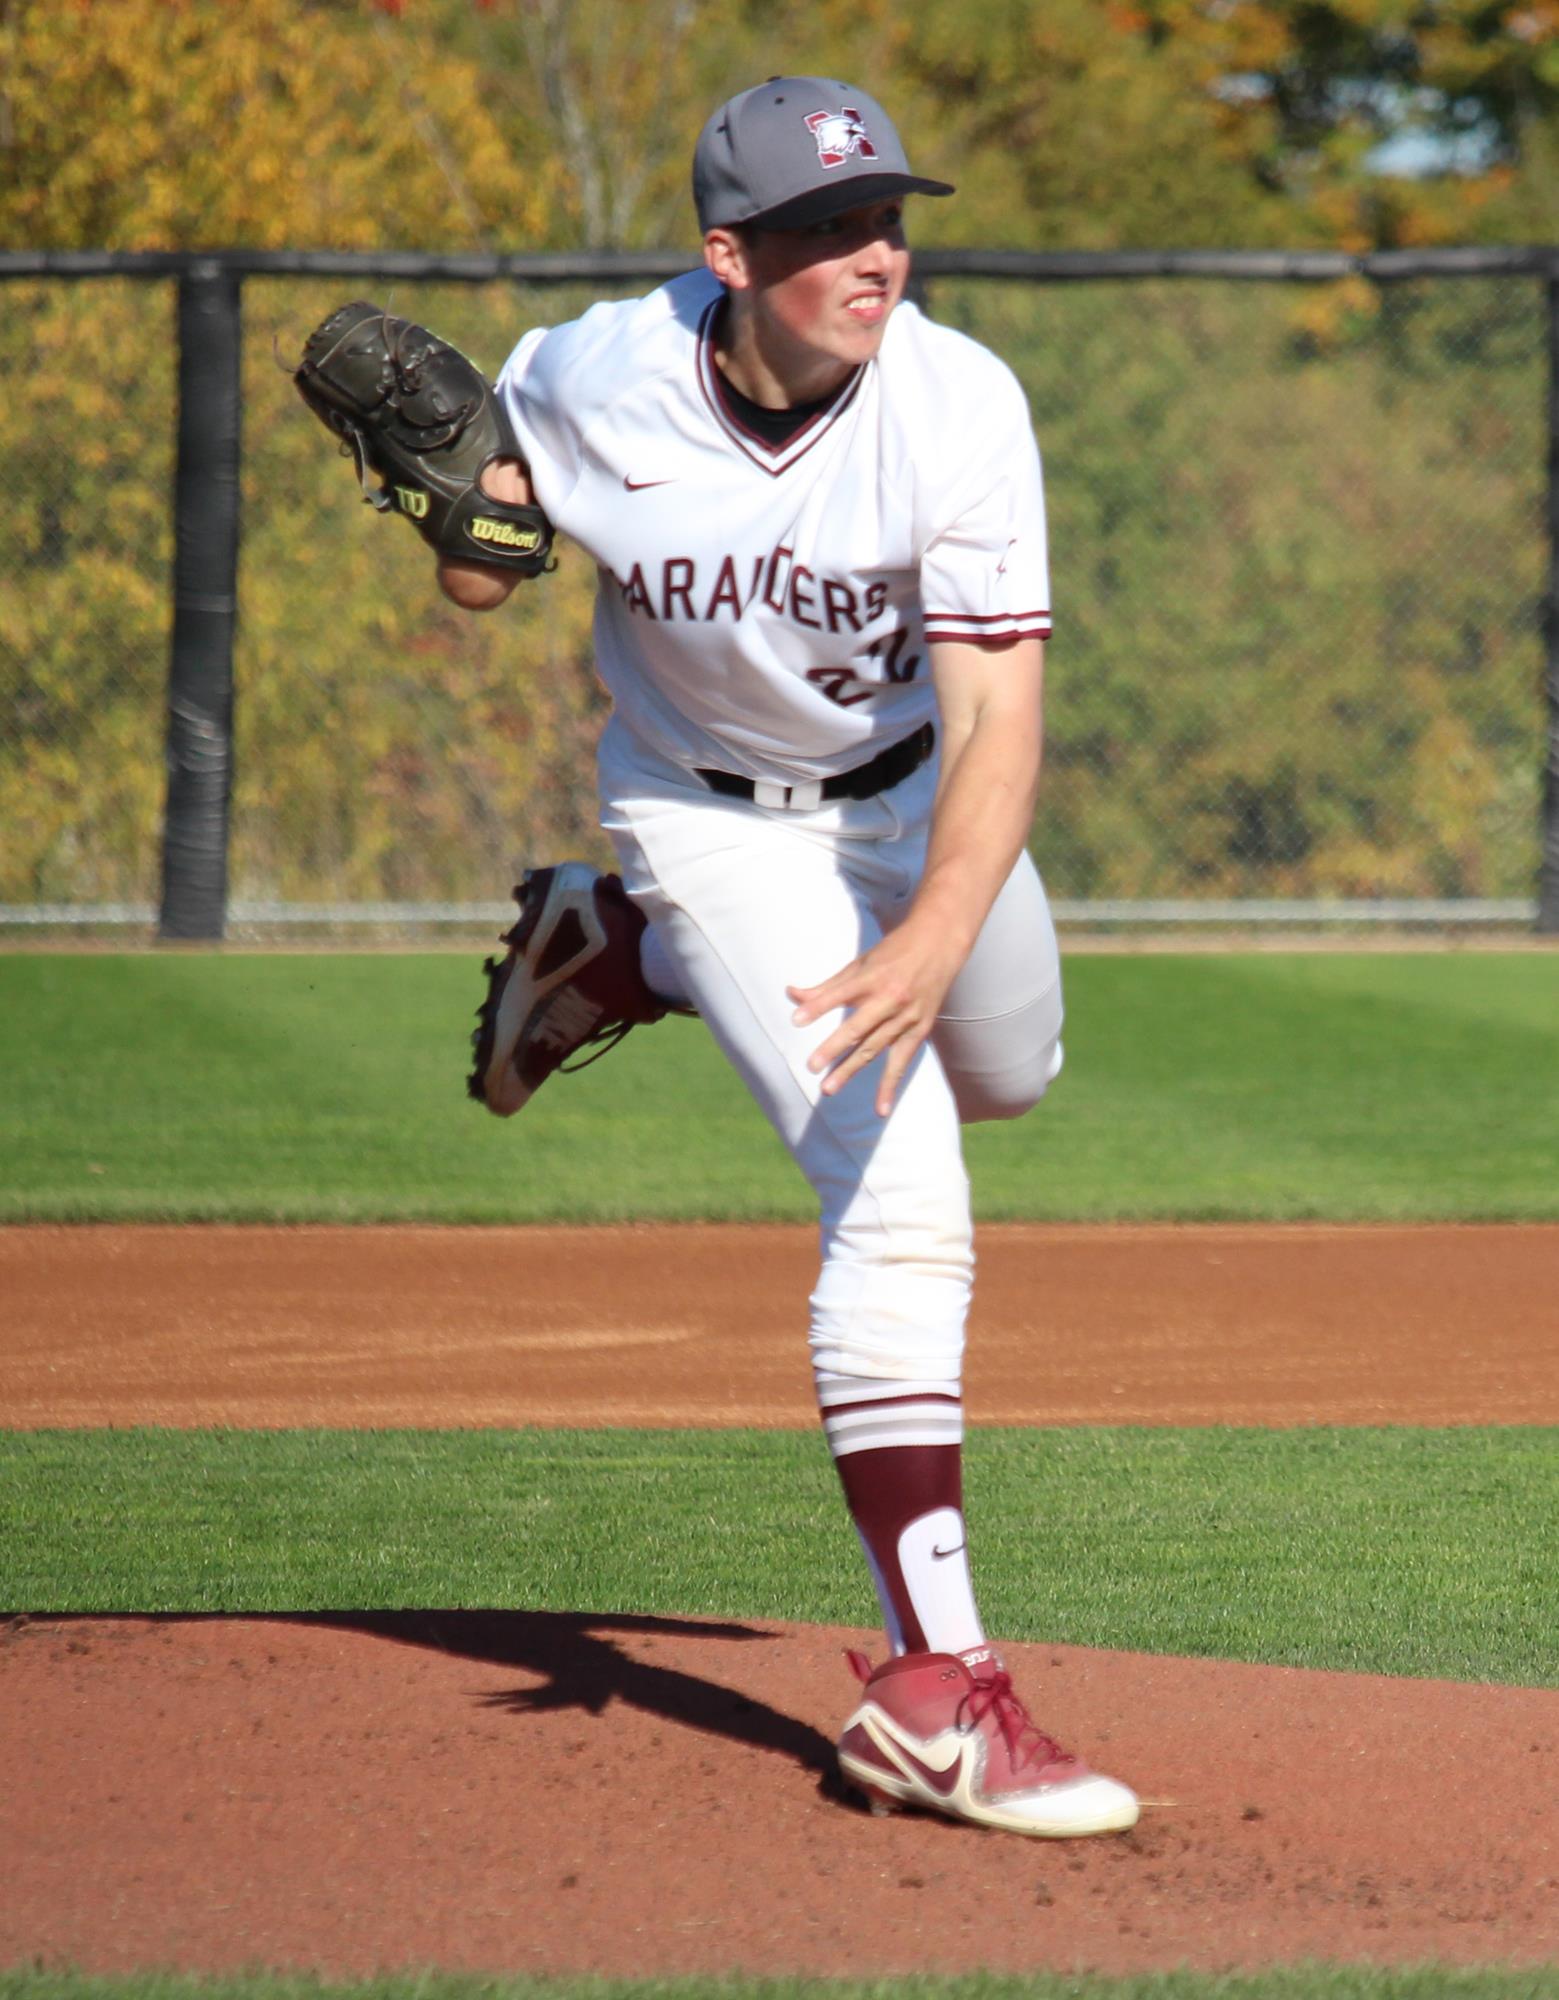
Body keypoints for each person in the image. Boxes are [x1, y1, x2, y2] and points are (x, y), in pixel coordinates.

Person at [445, 75, 1138, 1839]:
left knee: (1009, 1075)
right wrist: (477, 522)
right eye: (830, 229)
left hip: (920, 805)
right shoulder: (602, 369)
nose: (875, 255)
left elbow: (1000, 724)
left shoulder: (960, 403)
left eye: (889, 219)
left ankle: (618, 960)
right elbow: (488, 521)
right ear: (728, 254)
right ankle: (936, 1693)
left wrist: (923, 934)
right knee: (899, 1198)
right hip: (710, 818)